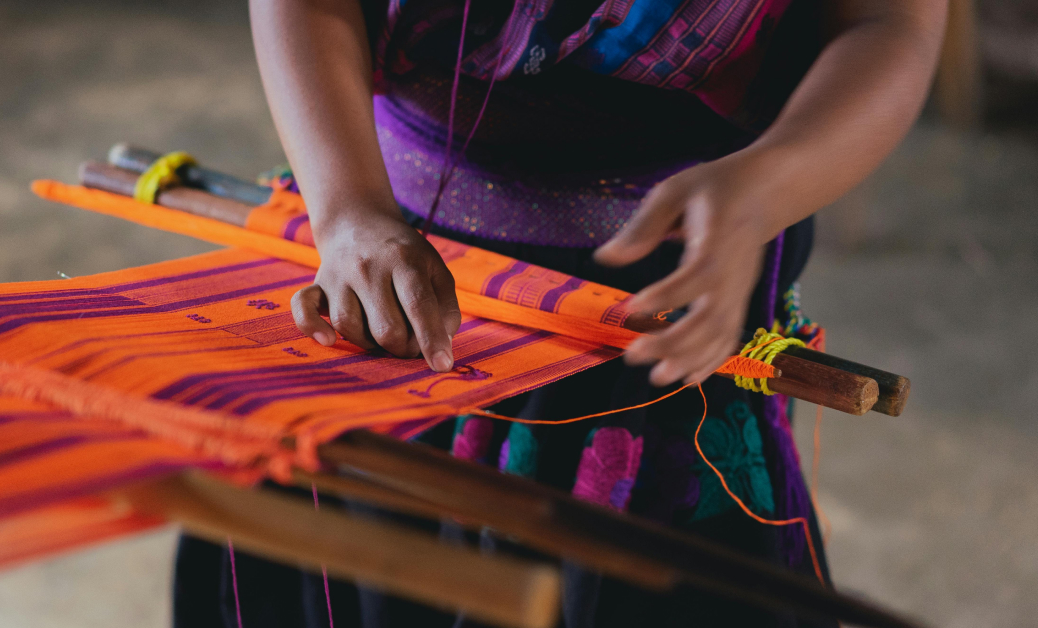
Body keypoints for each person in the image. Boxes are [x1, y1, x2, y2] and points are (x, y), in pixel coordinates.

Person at [173, 1, 946, 626]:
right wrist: (347, 211)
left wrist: (767, 185)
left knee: (645, 580)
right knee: (368, 557)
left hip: (665, 301)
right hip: (384, 275)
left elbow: (887, 25)